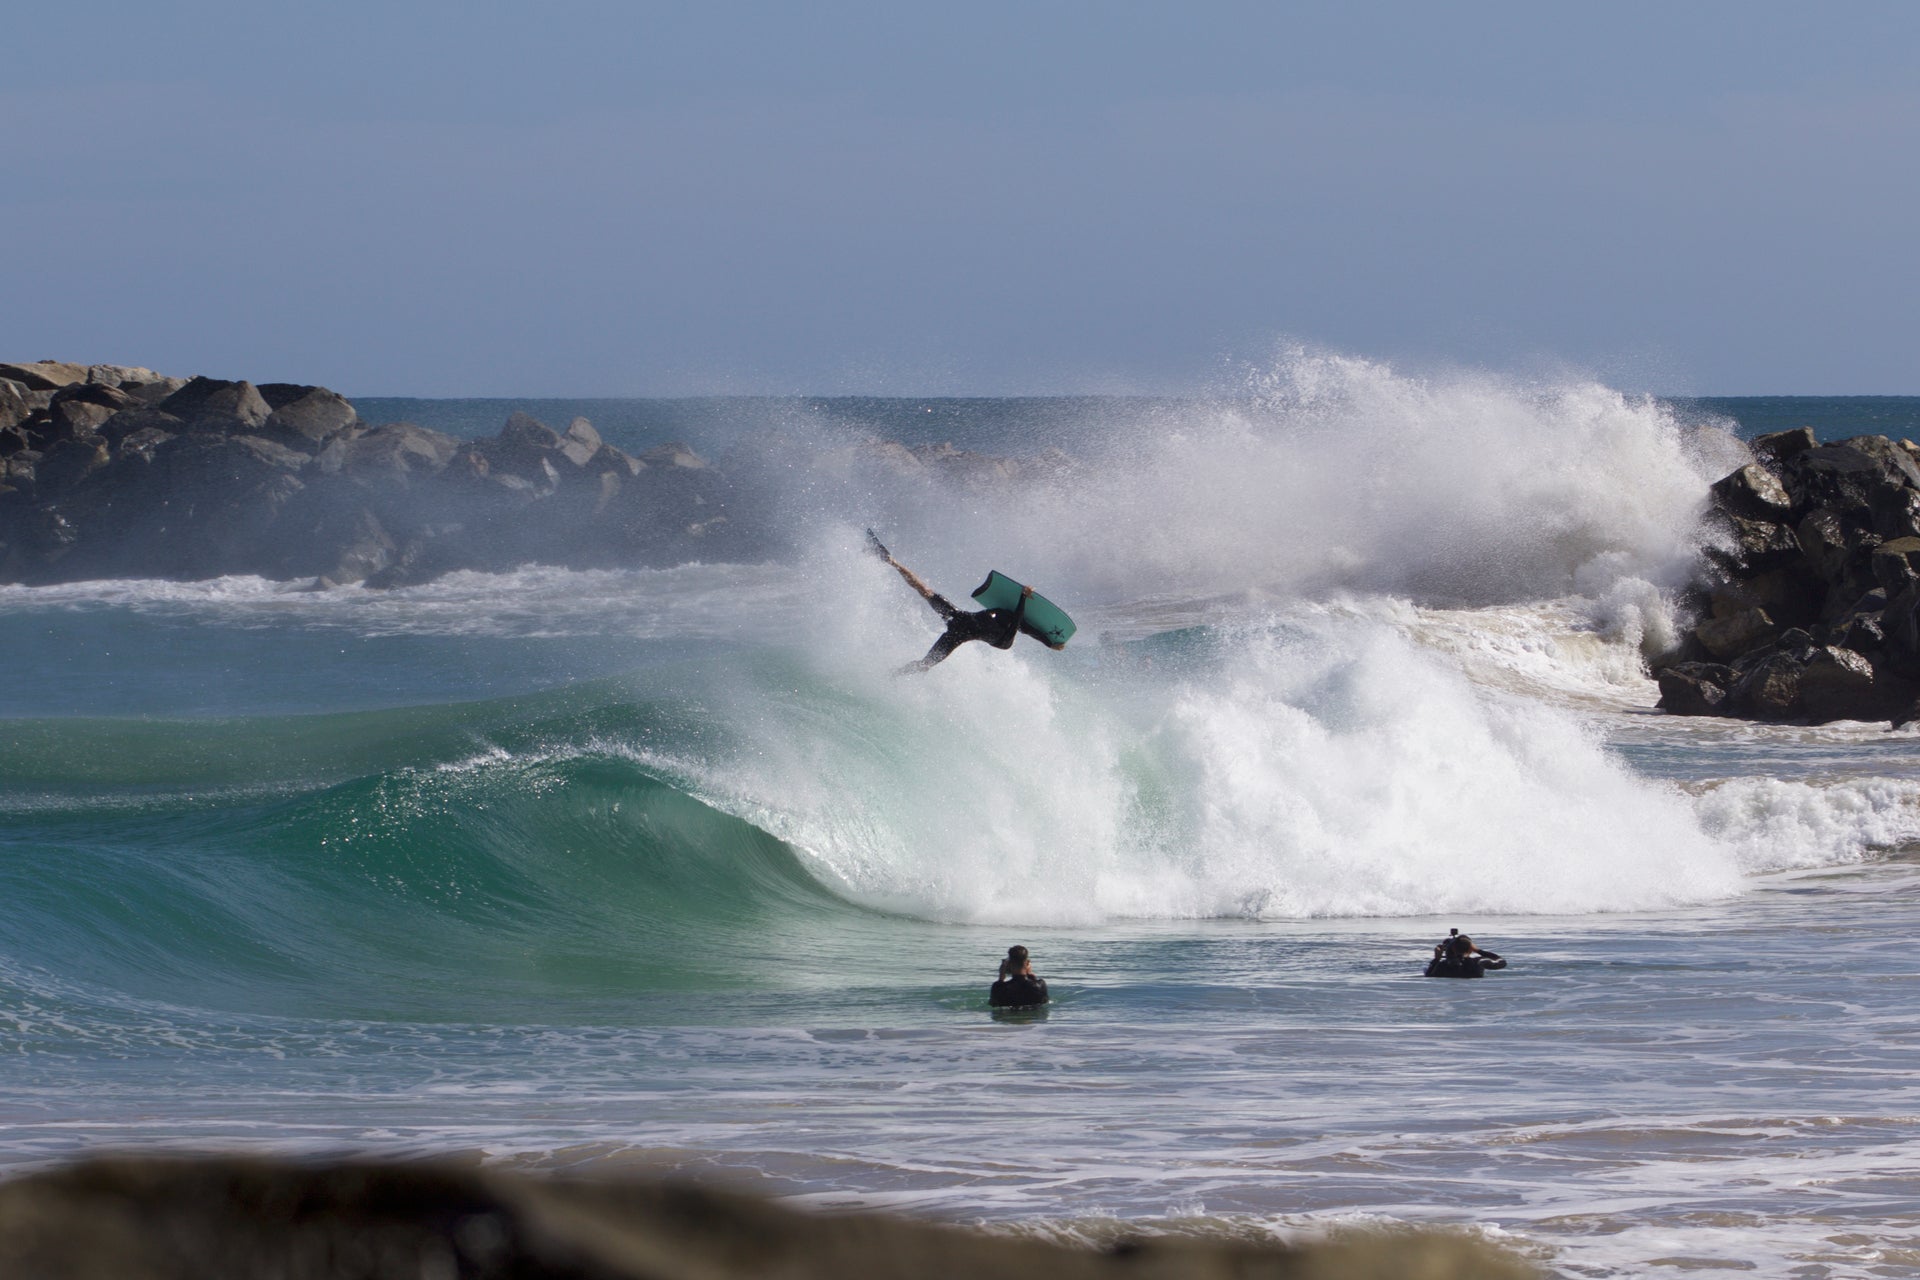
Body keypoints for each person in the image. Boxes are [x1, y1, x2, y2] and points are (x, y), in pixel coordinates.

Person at [867, 530, 1062, 673]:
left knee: (926, 663)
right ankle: (890, 560)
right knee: (925, 592)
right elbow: (1025, 626)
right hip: (958, 623)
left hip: (973, 631)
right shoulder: (1008, 624)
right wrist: (1048, 642)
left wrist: (1023, 598)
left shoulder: (1008, 631)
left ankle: (894, 674)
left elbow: (1022, 624)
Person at [1423, 928, 1507, 979]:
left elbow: (1429, 976)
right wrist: (1478, 950)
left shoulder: (1442, 966)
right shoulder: (1478, 963)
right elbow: (1501, 961)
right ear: (1470, 948)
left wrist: (1437, 958)